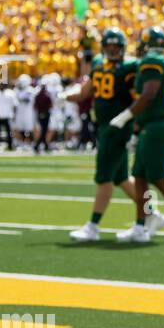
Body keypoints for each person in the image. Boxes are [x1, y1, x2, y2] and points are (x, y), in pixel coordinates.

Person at [109, 27, 164, 244]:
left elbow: (149, 94)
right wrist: (138, 128)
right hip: (153, 124)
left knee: (159, 179)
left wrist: (125, 116)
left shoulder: (152, 60)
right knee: (140, 177)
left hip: (159, 126)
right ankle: (142, 224)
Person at [66, 29, 145, 242]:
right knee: (121, 178)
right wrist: (65, 96)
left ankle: (93, 226)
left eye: (116, 47)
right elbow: (85, 92)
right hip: (103, 127)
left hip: (117, 128)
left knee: (104, 178)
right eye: (108, 46)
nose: (111, 50)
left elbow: (139, 98)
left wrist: (136, 125)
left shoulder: (130, 67)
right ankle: (151, 212)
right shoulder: (99, 63)